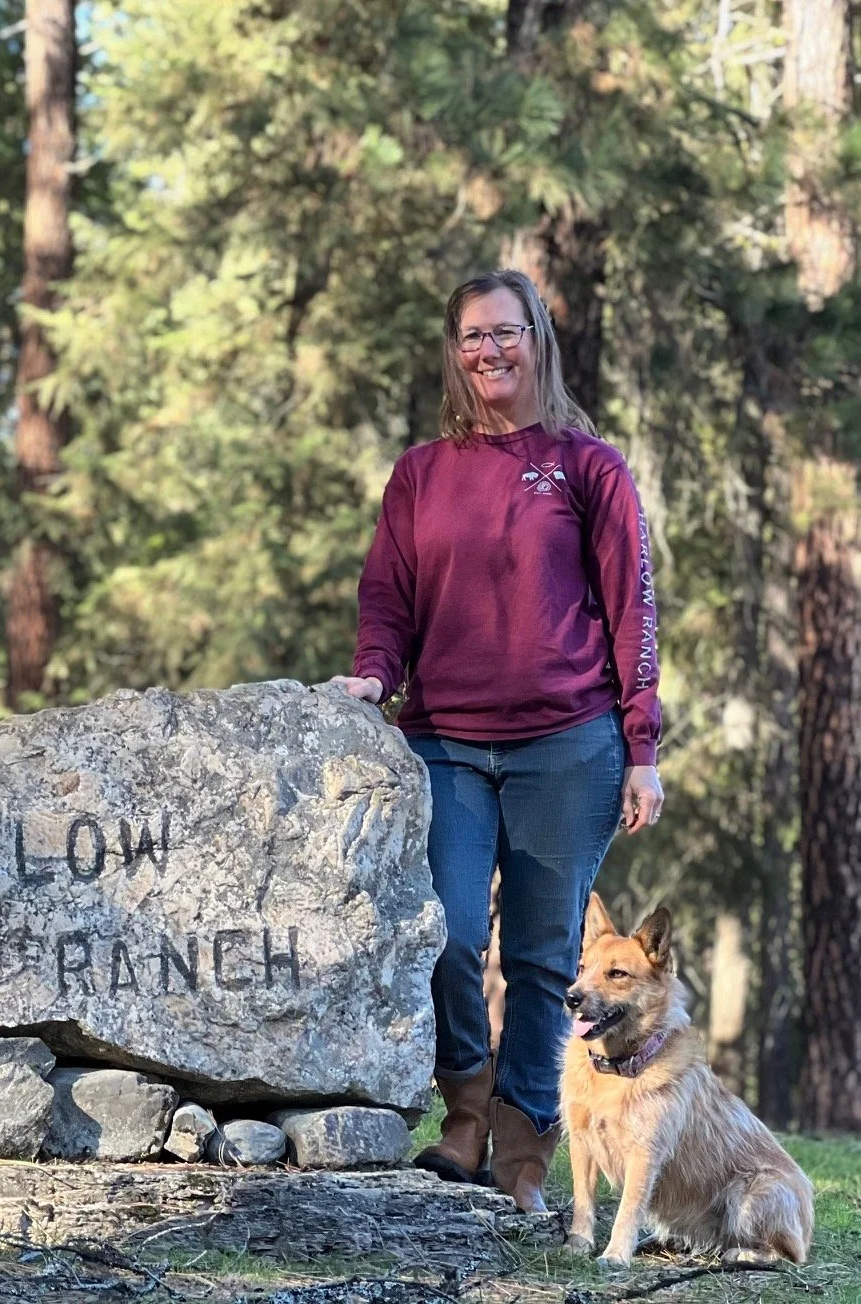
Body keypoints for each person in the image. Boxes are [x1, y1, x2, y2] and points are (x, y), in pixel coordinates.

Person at [329, 269, 664, 1213]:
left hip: (568, 746)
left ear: (536, 340)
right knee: (442, 933)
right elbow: (387, 598)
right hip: (443, 741)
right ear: (454, 351)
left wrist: (641, 746)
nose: (489, 350)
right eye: (472, 336)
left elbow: (631, 611)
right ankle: (464, 1114)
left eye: (505, 332)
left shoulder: (587, 466)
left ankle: (523, 1146)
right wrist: (373, 674)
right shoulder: (421, 473)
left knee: (545, 958)